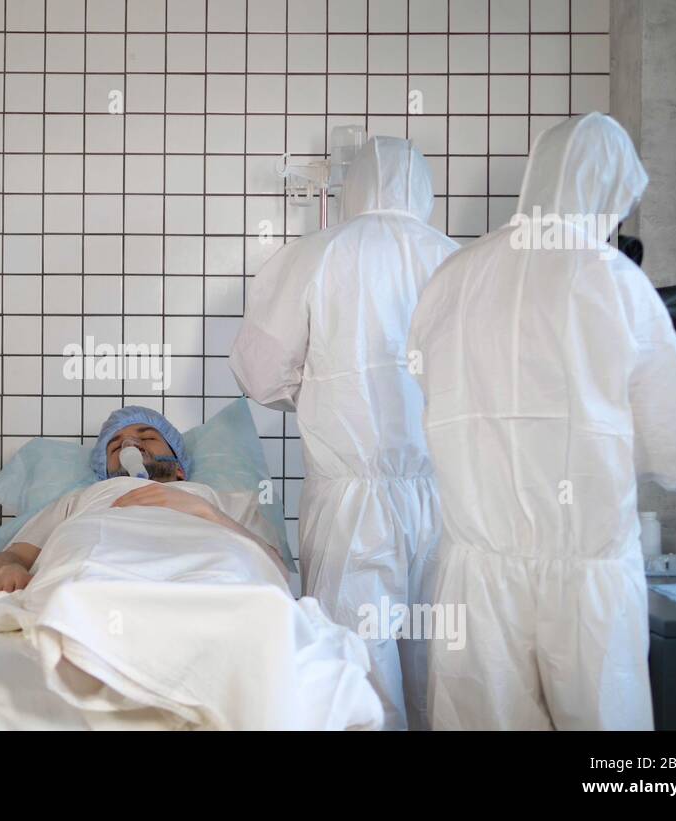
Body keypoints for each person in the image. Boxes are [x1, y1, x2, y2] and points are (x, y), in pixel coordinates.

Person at [408, 113, 676, 730]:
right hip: (586, 583)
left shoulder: (453, 277)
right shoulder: (614, 281)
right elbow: (672, 453)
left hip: (480, 575)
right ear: (610, 190)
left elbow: (435, 388)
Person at [228, 136, 459, 730]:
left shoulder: (316, 255)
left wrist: (310, 391)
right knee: (444, 664)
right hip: (450, 498)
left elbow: (260, 373)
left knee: (355, 669)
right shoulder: (459, 261)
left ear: (349, 189)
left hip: (351, 499)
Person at [0, 406, 287, 592]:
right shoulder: (82, 500)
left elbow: (277, 573)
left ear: (179, 468)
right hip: (92, 586)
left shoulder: (224, 502)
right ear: (103, 470)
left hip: (204, 586)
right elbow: (12, 558)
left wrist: (204, 511)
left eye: (148, 437)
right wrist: (7, 570)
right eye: (115, 446)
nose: (130, 444)